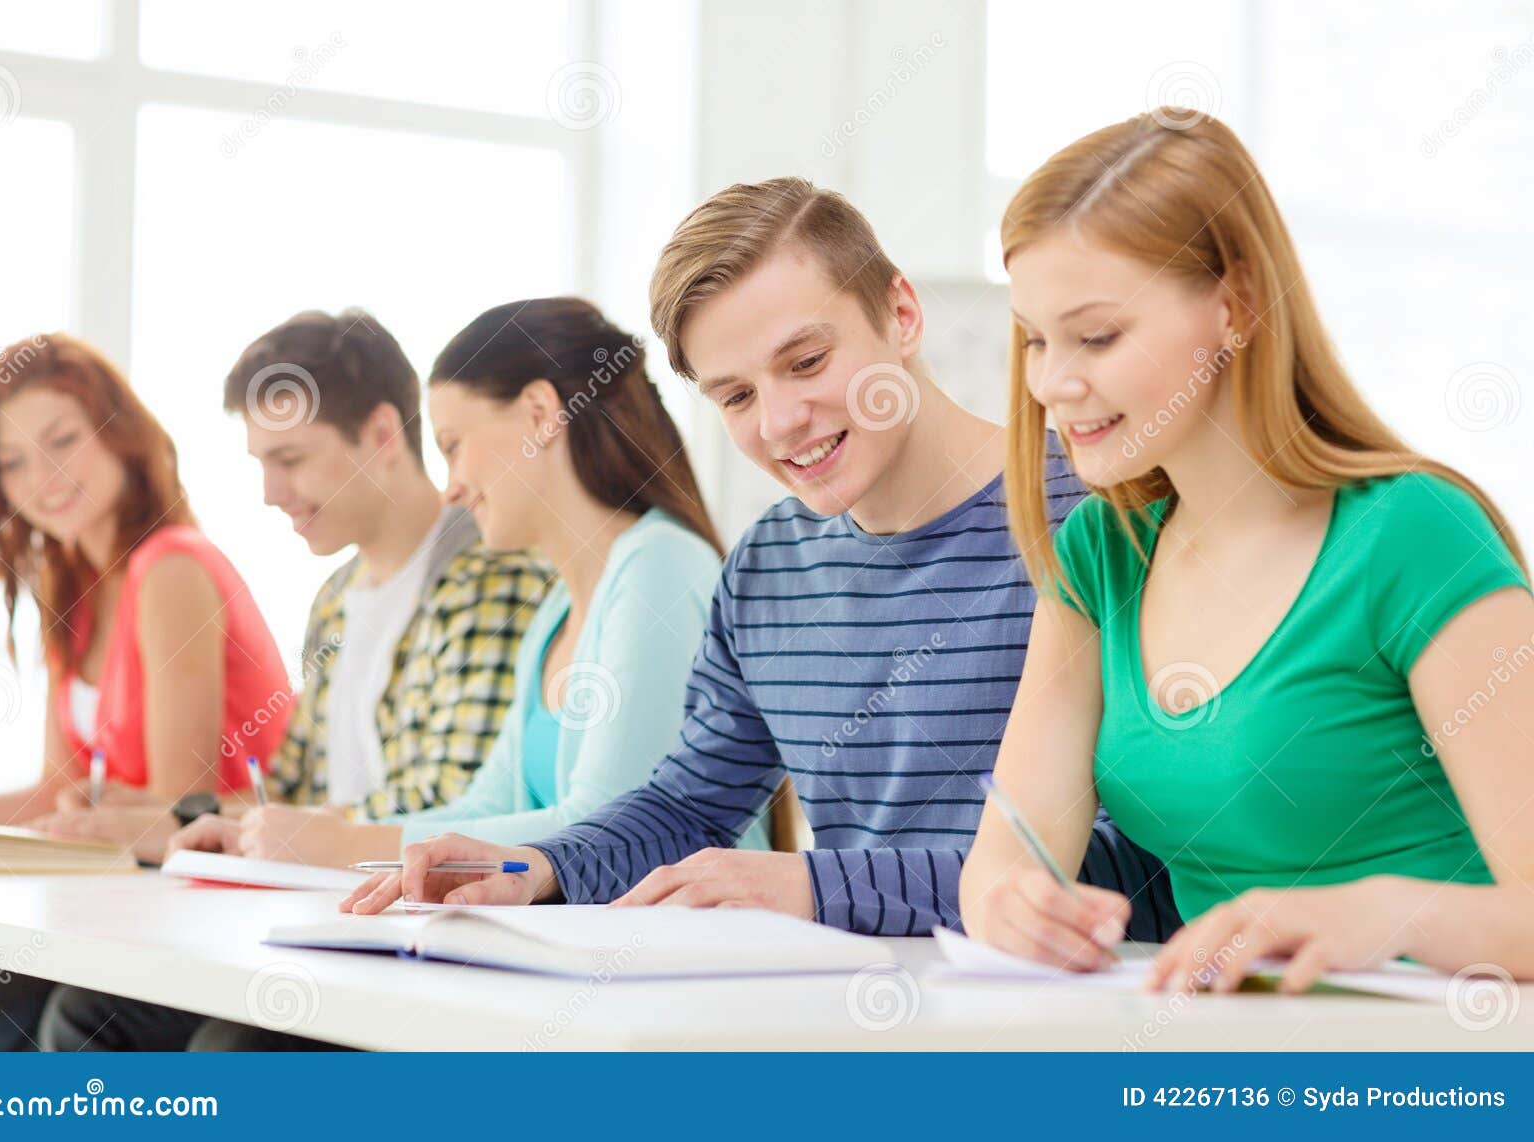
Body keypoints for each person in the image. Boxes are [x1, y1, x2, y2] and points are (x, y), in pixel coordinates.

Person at [344, 178, 1179, 942]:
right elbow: (690, 806)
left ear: (902, 314)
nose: (780, 422)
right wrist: (543, 866)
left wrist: (814, 887)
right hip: (845, 1008)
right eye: (736, 396)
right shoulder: (769, 566)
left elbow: (1131, 867)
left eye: (807, 361)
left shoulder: (1103, 519)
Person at [959, 110, 1534, 991]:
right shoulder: (1101, 555)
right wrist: (1008, 904)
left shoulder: (1415, 534)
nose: (1050, 382)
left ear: (1236, 305)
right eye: (1035, 339)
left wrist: (1373, 914)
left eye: (1098, 335)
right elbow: (1011, 854)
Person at [36, 309, 550, 1052]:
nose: (272, 491)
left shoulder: (487, 575)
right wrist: (189, 822)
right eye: (260, 464)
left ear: (379, 433)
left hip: (426, 941)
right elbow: (294, 795)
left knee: (229, 1053)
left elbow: (449, 807)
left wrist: (220, 828)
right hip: (333, 921)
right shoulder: (336, 597)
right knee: (90, 1015)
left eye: (291, 458)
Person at [199, 297, 768, 870]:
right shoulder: (557, 614)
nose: (452, 488)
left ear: (542, 415)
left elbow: (610, 823)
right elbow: (485, 807)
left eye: (452, 447)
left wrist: (346, 845)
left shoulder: (660, 565)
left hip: (685, 948)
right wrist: (290, 838)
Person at [0, 332, 291, 1049]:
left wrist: (88, 816)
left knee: (27, 1010)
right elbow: (59, 790)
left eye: (63, 440)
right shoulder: (68, 592)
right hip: (132, 906)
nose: (40, 477)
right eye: (11, 463)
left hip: (215, 908)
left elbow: (175, 806)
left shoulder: (169, 569)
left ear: (121, 437)